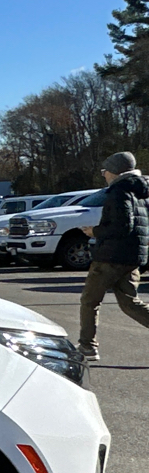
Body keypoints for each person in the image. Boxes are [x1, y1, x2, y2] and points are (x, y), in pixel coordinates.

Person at [78, 150, 149, 360]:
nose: (104, 175)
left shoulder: (119, 191)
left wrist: (95, 231)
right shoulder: (141, 191)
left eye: (105, 171)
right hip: (133, 256)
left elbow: (122, 226)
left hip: (111, 256)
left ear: (115, 172)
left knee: (90, 301)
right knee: (129, 303)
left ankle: (87, 346)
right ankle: (87, 345)